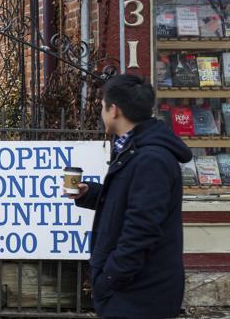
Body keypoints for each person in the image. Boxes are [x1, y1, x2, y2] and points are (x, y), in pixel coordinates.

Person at [67, 74, 191, 319]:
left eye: (102, 105)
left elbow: (141, 229)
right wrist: (90, 193)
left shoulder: (151, 159)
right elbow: (128, 201)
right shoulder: (131, 149)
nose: (101, 111)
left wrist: (109, 278)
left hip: (140, 294)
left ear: (114, 110)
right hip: (132, 291)